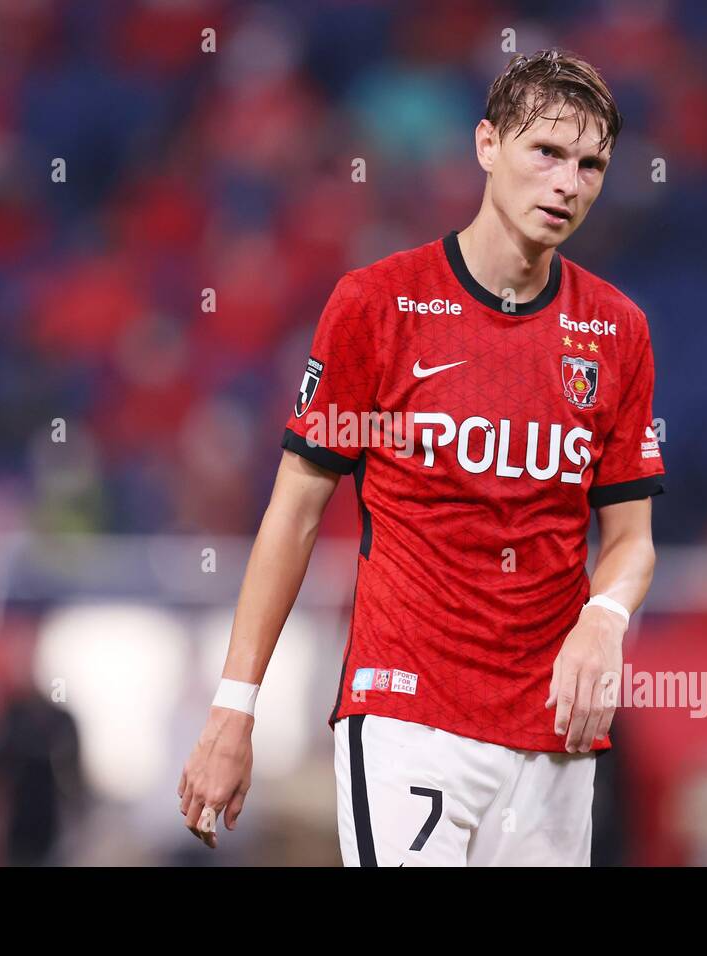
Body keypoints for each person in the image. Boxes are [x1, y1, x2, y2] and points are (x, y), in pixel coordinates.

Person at [178, 49, 664, 866]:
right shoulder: (377, 305)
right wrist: (234, 709)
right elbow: (294, 513)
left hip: (553, 731)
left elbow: (631, 539)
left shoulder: (618, 330)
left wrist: (604, 620)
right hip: (408, 709)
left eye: (591, 165)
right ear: (485, 146)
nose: (568, 183)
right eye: (546, 153)